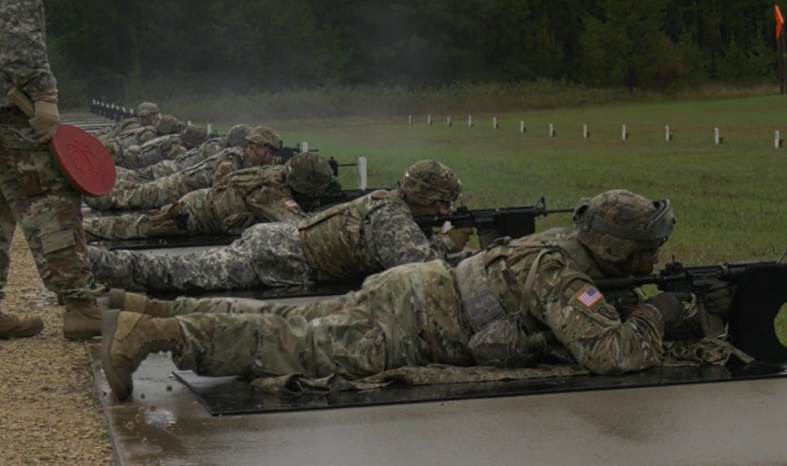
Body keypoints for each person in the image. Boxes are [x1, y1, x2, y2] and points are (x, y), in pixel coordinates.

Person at [99, 189, 736, 402]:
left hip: (409, 293)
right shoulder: (560, 276)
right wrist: (662, 309)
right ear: (621, 249)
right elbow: (615, 353)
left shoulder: (563, 251)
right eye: (649, 249)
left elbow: (594, 320)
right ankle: (159, 335)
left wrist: (688, 309)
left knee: (288, 316)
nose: (656, 259)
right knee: (288, 341)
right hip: (407, 328)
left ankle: (157, 309)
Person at [88, 160, 472, 293]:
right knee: (175, 273)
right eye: (440, 202)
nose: (444, 209)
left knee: (179, 272)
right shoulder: (392, 217)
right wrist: (449, 244)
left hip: (277, 246)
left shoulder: (390, 205)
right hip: (274, 256)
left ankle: (93, 259)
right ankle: (90, 261)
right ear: (421, 196)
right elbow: (420, 270)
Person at [0, 0, 104, 340]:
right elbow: (18, 23)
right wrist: (41, 90)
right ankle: (81, 307)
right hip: (12, 104)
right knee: (51, 196)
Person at [84, 151, 333, 242]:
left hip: (197, 204)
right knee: (132, 227)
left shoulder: (276, 174)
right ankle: (85, 229)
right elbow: (298, 226)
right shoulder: (270, 193)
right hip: (188, 216)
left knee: (135, 222)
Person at [85, 125, 282, 212]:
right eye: (269, 151)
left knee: (132, 184)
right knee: (131, 196)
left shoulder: (246, 160)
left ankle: (91, 179)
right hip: (176, 187)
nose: (271, 156)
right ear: (256, 146)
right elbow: (223, 194)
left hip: (180, 185)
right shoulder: (233, 160)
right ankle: (89, 190)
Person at [116, 124, 251, 184]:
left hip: (171, 171)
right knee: (132, 179)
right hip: (169, 172)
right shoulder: (218, 149)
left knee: (132, 178)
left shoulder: (218, 145)